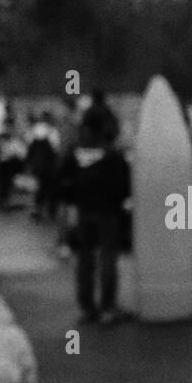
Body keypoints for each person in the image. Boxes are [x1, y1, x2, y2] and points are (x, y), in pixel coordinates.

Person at [62, 108, 131, 324]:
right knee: (108, 257)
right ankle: (108, 308)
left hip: (83, 212)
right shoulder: (111, 153)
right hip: (107, 212)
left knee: (85, 259)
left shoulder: (75, 152)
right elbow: (124, 184)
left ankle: (87, 307)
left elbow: (62, 179)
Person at [26, 110, 61, 221]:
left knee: (40, 185)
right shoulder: (53, 131)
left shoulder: (35, 129)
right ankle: (50, 209)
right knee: (49, 186)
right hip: (49, 164)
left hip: (37, 164)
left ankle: (38, 208)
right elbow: (56, 148)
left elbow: (28, 144)